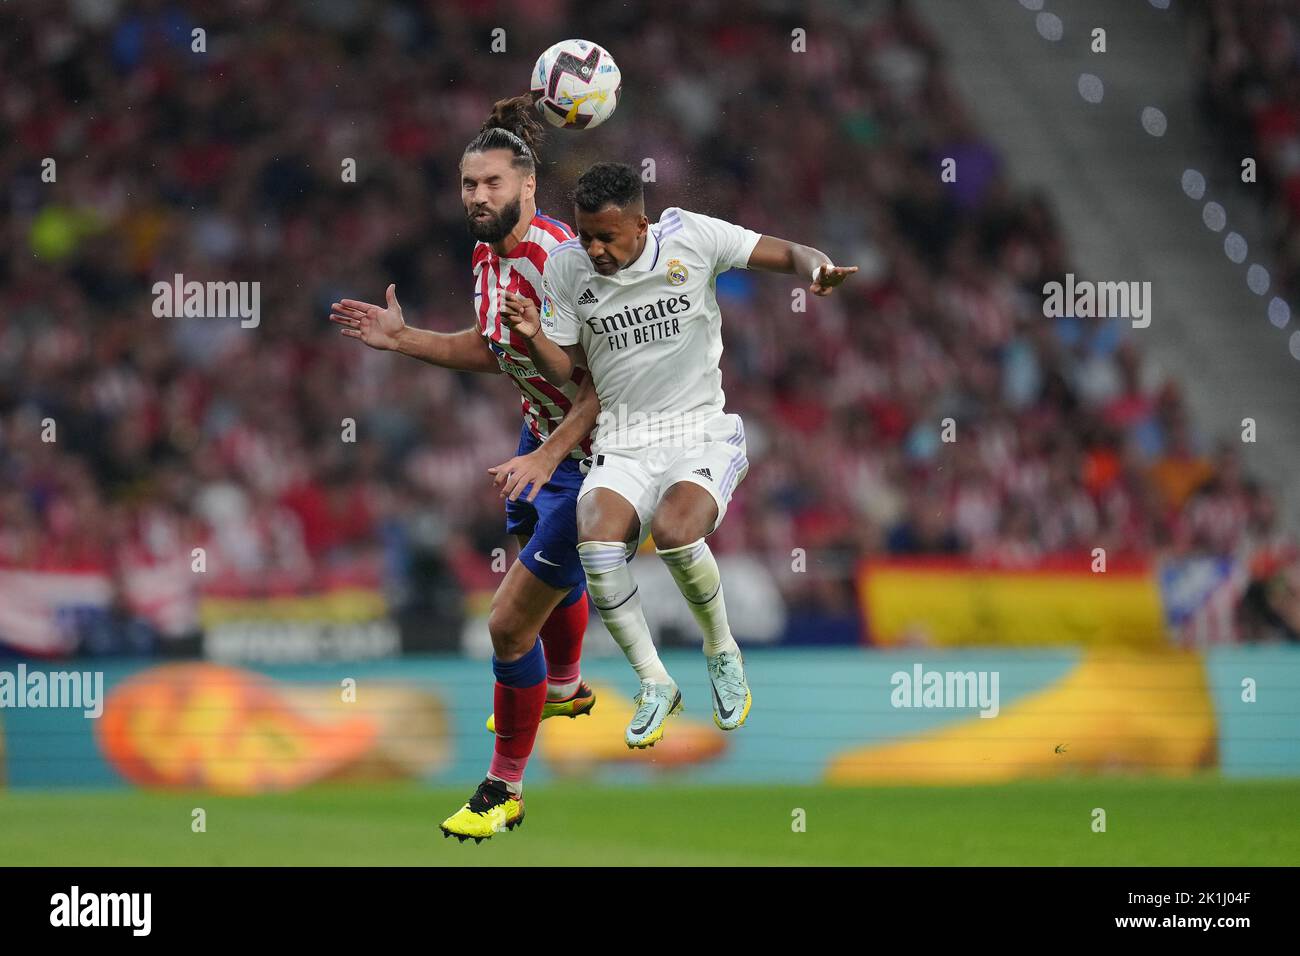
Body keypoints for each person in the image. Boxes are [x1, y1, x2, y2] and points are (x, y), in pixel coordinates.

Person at [500, 162, 857, 748]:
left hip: (698, 430)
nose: (593, 247)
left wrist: (814, 266)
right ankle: (655, 682)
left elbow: (787, 251)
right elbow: (566, 371)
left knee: (674, 532)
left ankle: (721, 651)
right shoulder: (567, 269)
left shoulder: (690, 237)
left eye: (606, 236)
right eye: (585, 233)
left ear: (640, 224)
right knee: (596, 541)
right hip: (622, 438)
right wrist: (537, 334)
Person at [329, 97, 597, 842]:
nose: (477, 196)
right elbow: (493, 350)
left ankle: (502, 790)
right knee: (536, 586)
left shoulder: (563, 259)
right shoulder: (486, 251)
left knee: (509, 627)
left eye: (491, 183)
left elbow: (612, 379)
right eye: (468, 184)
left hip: (600, 455)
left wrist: (547, 455)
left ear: (529, 185)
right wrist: (404, 338)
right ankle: (567, 688)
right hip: (543, 439)